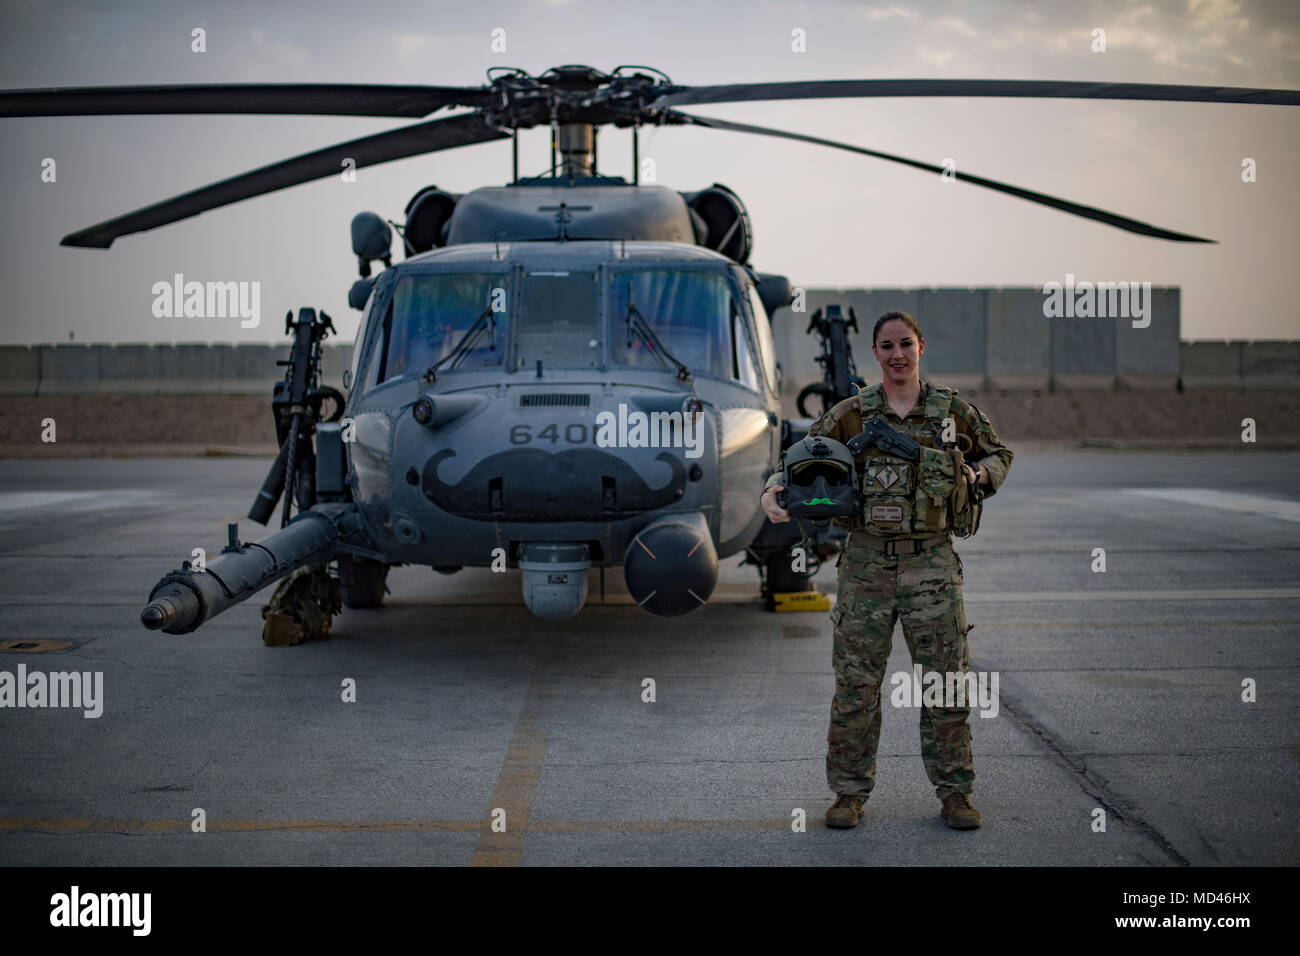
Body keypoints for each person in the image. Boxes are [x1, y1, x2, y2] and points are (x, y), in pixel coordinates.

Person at [760, 310, 1013, 830]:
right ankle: (848, 795)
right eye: (887, 346)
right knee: (856, 686)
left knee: (944, 684)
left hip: (932, 563)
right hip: (866, 564)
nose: (897, 354)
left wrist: (976, 474)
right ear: (874, 352)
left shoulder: (951, 412)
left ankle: (955, 794)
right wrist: (772, 491)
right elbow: (797, 460)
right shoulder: (852, 414)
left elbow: (999, 455)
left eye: (905, 344)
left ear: (920, 347)